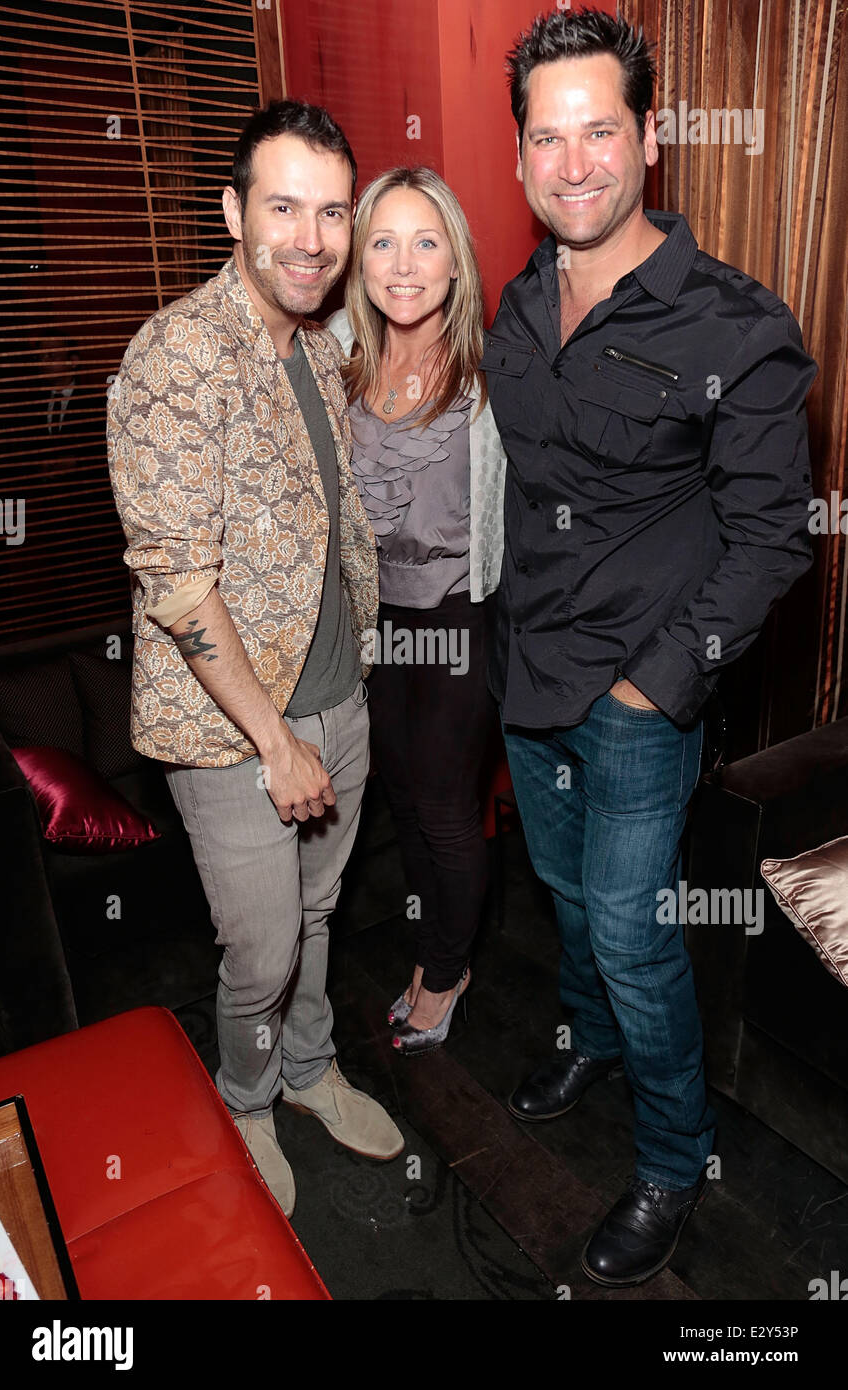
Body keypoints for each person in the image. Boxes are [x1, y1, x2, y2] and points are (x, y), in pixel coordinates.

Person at [482, 10, 816, 1286]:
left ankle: (674, 1160)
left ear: (650, 139)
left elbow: (772, 535)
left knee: (628, 926)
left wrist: (653, 686)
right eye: (546, 138)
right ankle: (591, 1038)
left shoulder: (733, 326)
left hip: (639, 693)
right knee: (564, 899)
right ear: (519, 156)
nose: (572, 165)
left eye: (598, 132)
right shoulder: (515, 310)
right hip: (529, 676)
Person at [107, 100, 404, 1219]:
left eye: (331, 212)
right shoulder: (180, 354)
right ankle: (244, 1098)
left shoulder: (320, 352)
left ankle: (312, 1068)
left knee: (319, 917)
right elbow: (176, 578)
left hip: (337, 699)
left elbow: (329, 528)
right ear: (234, 211)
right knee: (263, 946)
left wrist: (353, 678)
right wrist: (273, 741)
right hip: (235, 730)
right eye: (282, 206)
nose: (309, 238)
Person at [326, 167, 506, 1055]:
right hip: (378, 624)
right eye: (383, 242)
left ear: (455, 261)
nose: (404, 264)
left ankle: (445, 974)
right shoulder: (341, 369)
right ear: (359, 261)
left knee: (442, 806)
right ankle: (437, 949)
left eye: (425, 241)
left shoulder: (490, 375)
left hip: (460, 619)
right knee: (402, 797)